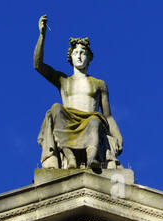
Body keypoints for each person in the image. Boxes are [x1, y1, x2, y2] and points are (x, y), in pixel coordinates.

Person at [34, 15, 122, 171]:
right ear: (71, 58)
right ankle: (70, 156)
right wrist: (42, 36)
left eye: (83, 53)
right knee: (55, 108)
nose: (79, 56)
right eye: (76, 53)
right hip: (68, 121)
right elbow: (38, 65)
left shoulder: (99, 84)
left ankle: (92, 158)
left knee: (95, 121)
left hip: (90, 120)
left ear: (89, 58)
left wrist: (117, 134)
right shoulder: (63, 80)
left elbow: (107, 116)